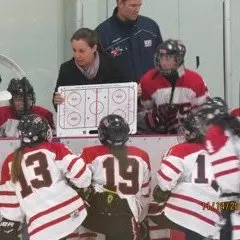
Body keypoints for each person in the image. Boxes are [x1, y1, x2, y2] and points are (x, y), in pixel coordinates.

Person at [0, 114, 91, 240]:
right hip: (70, 215)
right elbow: (83, 178)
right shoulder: (54, 148)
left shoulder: (9, 162)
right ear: (44, 133)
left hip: (40, 230)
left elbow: (11, 209)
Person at [149, 112, 222, 240]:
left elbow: (165, 183)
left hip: (191, 210)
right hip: (223, 210)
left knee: (156, 204)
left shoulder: (180, 150)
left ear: (195, 133)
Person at [80, 114, 151, 240]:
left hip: (98, 212)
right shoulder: (142, 155)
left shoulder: (89, 153)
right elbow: (145, 193)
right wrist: (139, 217)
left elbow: (78, 182)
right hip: (128, 212)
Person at [137, 39, 209, 134]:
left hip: (189, 137)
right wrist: (152, 118)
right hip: (157, 138)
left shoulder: (195, 80)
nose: (163, 63)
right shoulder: (147, 80)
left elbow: (205, 115)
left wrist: (194, 125)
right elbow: (137, 120)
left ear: (178, 60)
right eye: (161, 57)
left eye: (168, 58)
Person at [193, 97, 240, 240]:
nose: (201, 124)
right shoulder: (230, 129)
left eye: (203, 119)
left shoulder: (216, 134)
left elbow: (228, 179)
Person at [53, 28, 128, 109]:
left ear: (94, 48)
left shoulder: (112, 65)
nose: (77, 56)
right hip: (78, 118)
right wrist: (56, 101)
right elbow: (58, 101)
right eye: (74, 50)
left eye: (82, 51)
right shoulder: (66, 69)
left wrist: (134, 92)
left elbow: (124, 95)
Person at [96, 0, 163, 83]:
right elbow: (99, 72)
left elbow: (162, 59)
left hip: (151, 91)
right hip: (120, 93)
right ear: (120, 3)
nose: (137, 9)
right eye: (133, 5)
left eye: (139, 5)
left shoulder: (150, 27)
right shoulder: (102, 33)